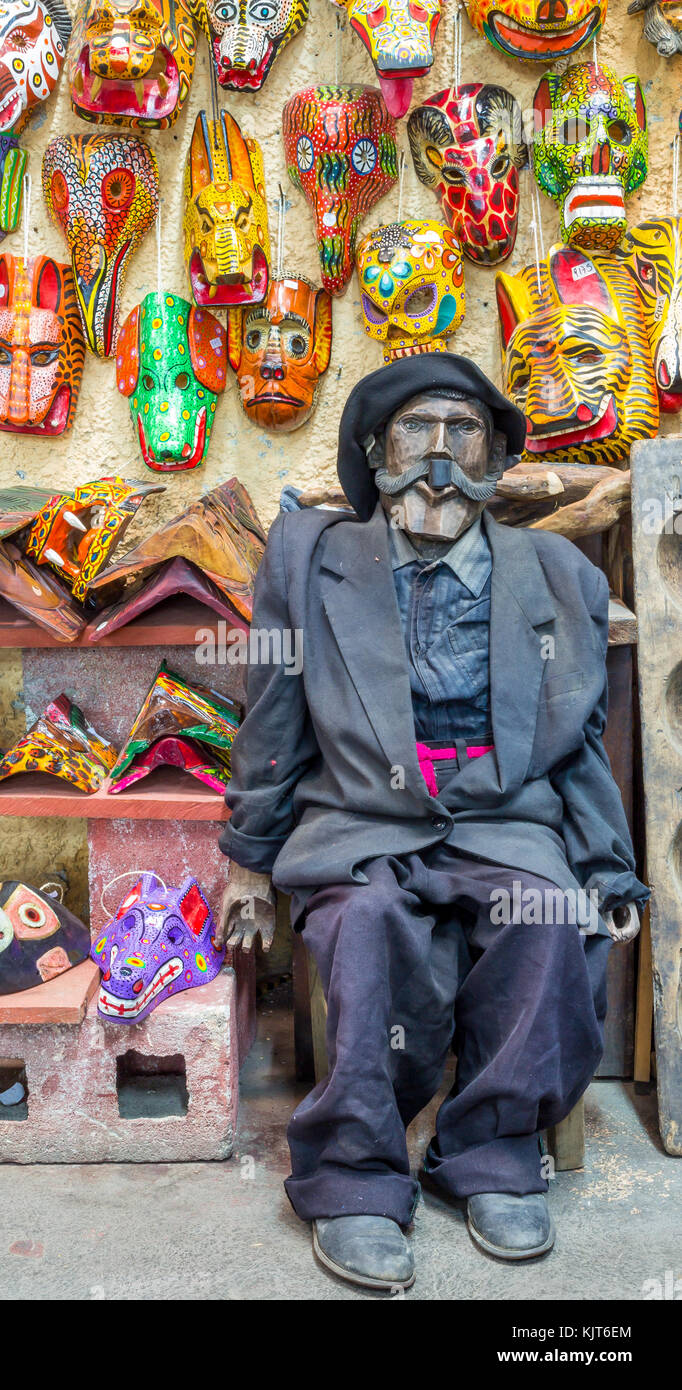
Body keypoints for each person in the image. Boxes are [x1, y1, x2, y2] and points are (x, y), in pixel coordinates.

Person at [215, 355, 647, 1293]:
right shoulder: (309, 556)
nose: (440, 456)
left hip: (503, 817)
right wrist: (248, 861)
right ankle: (357, 1176)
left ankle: (490, 1155)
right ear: (376, 451)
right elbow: (272, 718)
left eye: (465, 435)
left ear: (494, 461)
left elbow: (576, 743)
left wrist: (610, 870)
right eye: (418, 432)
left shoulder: (556, 573)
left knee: (548, 923)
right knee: (364, 928)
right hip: (364, 819)